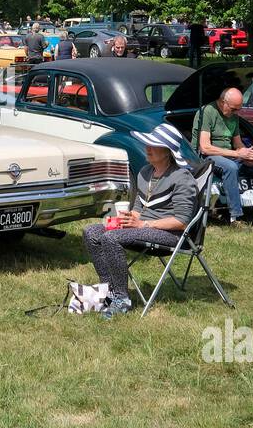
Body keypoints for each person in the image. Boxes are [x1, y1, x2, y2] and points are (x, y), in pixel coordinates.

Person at [81, 125, 199, 318]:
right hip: (141, 227)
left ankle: (121, 299)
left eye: (154, 145)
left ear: (168, 152)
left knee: (112, 238)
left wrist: (143, 224)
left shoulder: (182, 178)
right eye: (147, 143)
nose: (147, 148)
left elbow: (182, 221)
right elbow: (138, 209)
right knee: (91, 232)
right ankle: (108, 290)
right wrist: (127, 219)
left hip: (170, 235)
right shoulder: (145, 172)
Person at [192, 87, 253, 231]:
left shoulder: (233, 116)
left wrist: (247, 154)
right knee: (231, 167)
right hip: (209, 157)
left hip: (230, 156)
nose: (236, 113)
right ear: (223, 102)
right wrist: (238, 154)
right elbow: (205, 147)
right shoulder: (207, 112)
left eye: (239, 109)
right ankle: (235, 218)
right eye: (234, 109)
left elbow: (237, 143)